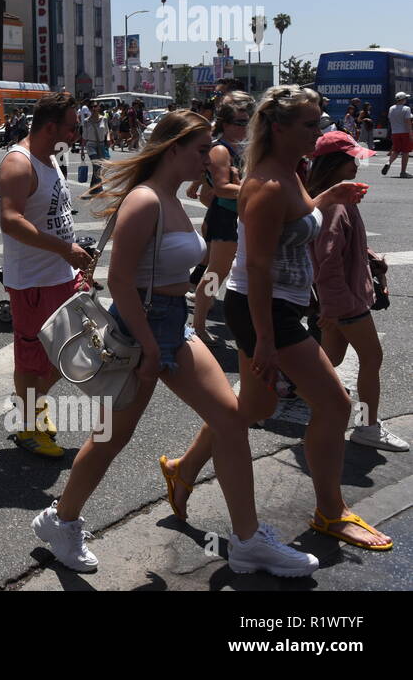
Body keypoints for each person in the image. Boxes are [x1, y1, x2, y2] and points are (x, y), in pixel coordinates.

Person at [32, 110, 320, 577]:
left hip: (171, 325)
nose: (210, 158)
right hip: (140, 329)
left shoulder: (169, 197)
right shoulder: (145, 200)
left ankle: (248, 541)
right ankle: (60, 520)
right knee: (110, 439)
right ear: (174, 150)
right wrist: (147, 349)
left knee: (229, 419)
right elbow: (120, 281)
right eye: (201, 149)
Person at [166, 86, 391, 551]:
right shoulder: (267, 184)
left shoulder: (287, 173)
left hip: (272, 309)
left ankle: (183, 469)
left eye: (320, 121)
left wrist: (328, 197)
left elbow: (300, 214)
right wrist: (267, 339)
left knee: (254, 408)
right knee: (334, 406)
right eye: (311, 124)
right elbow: (260, 266)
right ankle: (331, 512)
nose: (321, 131)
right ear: (279, 127)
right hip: (266, 311)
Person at [0, 92, 90, 458]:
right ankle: (27, 425)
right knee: (34, 360)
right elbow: (11, 221)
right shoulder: (19, 164)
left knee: (62, 358)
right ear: (51, 127)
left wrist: (72, 253)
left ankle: (30, 409)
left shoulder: (49, 156)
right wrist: (65, 249)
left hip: (58, 274)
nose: (77, 133)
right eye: (72, 126)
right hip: (33, 280)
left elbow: (51, 213)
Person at [308, 131, 408, 452]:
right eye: (351, 159)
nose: (356, 164)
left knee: (331, 359)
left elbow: (343, 249)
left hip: (340, 300)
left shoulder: (338, 198)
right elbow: (327, 261)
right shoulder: (335, 205)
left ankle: (291, 389)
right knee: (372, 357)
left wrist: (371, 260)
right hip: (346, 301)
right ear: (335, 163)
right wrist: (335, 307)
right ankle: (366, 425)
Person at [192, 92, 254, 343]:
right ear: (225, 123)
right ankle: (197, 324)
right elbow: (221, 188)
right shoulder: (221, 150)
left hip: (236, 216)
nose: (244, 127)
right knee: (215, 273)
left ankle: (204, 315)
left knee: (226, 271)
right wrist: (257, 191)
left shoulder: (239, 147)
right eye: (239, 122)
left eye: (247, 122)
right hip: (225, 216)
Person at [79, 100, 111, 196]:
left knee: (99, 167)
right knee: (96, 165)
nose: (93, 108)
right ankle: (97, 188)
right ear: (89, 109)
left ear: (98, 108)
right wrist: (82, 151)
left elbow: (107, 131)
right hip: (91, 145)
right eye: (91, 107)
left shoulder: (104, 119)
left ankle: (94, 187)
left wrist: (108, 139)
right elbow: (84, 137)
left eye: (95, 106)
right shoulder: (86, 121)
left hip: (101, 145)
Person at [381, 91, 412, 177]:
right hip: (405, 132)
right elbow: (407, 122)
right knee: (405, 152)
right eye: (405, 98)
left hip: (395, 132)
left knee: (396, 151)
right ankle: (403, 172)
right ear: (403, 99)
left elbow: (390, 120)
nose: (406, 100)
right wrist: (411, 134)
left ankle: (388, 162)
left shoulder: (391, 108)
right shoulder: (406, 109)